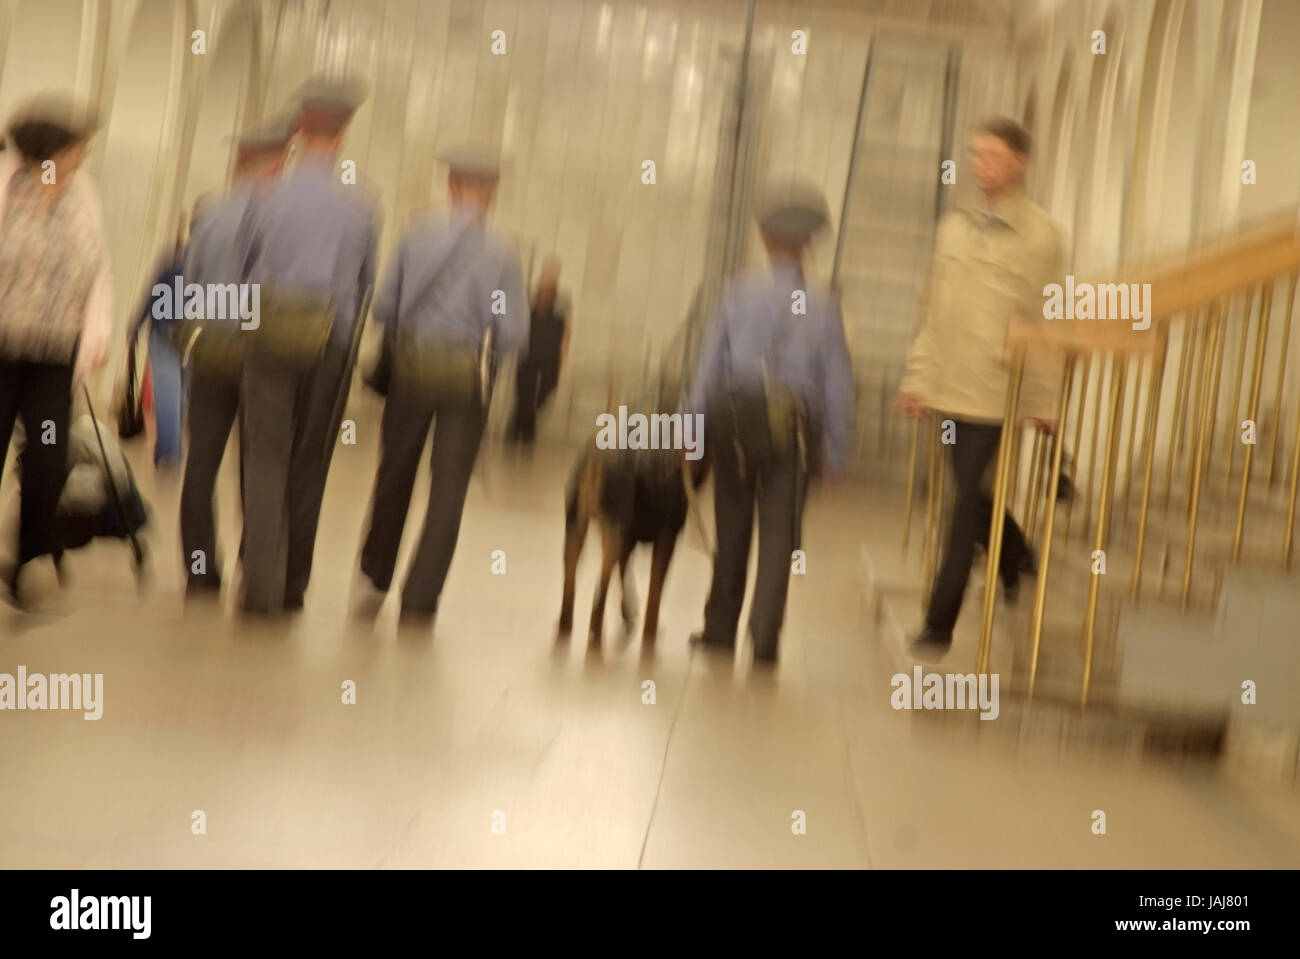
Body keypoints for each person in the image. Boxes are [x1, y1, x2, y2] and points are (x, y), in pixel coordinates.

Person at [896, 117, 1065, 661]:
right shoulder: (954, 227)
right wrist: (918, 377)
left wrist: (1042, 400)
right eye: (974, 154)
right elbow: (931, 310)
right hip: (947, 388)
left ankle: (938, 623)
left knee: (964, 506)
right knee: (975, 496)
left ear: (1021, 163)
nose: (979, 164)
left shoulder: (1040, 236)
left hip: (997, 394)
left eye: (991, 155)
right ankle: (1015, 553)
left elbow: (1044, 319)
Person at [356, 145, 527, 625]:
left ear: (450, 185)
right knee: (449, 487)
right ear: (491, 193)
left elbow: (383, 306)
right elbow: (512, 331)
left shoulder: (416, 235)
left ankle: (376, 571)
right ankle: (421, 595)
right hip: (465, 378)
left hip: (411, 368)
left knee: (396, 472)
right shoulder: (502, 253)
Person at [686, 180, 855, 666]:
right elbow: (837, 385)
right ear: (808, 245)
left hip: (735, 422)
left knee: (731, 527)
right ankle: (765, 638)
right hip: (794, 433)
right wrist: (836, 452)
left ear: (763, 237)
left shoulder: (738, 291)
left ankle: (719, 630)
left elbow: (709, 363)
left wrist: (690, 429)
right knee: (779, 536)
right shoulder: (824, 306)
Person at [235, 78, 379, 614]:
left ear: (299, 131)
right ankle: (294, 584)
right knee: (309, 461)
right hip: (330, 342)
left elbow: (240, 271)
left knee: (265, 458)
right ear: (342, 136)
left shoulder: (265, 196)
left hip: (269, 335)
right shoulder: (363, 205)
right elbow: (367, 285)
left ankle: (259, 587)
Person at [0, 92, 112, 605]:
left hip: (53, 356)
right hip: (3, 350)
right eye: (77, 147)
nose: (82, 156)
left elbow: (98, 269)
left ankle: (25, 558)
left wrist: (98, 332)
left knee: (47, 454)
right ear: (51, 148)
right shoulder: (9, 186)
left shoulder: (81, 196)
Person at [179, 113, 294, 598]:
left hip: (210, 343)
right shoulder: (284, 217)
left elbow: (190, 281)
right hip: (260, 345)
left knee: (201, 461)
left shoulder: (209, 212)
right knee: (262, 464)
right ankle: (258, 565)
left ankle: (201, 568)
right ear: (278, 163)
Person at [127, 216, 189, 470]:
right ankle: (173, 447)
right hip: (196, 336)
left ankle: (169, 452)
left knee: (168, 394)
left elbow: (154, 293)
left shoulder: (173, 258)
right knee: (182, 394)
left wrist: (135, 327)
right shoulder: (215, 259)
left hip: (164, 332)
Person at [508, 255, 569, 444]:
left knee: (546, 389)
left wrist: (562, 355)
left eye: (553, 273)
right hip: (528, 350)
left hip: (549, 354)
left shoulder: (562, 299)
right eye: (547, 273)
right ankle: (519, 431)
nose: (549, 277)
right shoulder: (530, 294)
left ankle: (525, 425)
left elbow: (567, 329)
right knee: (523, 391)